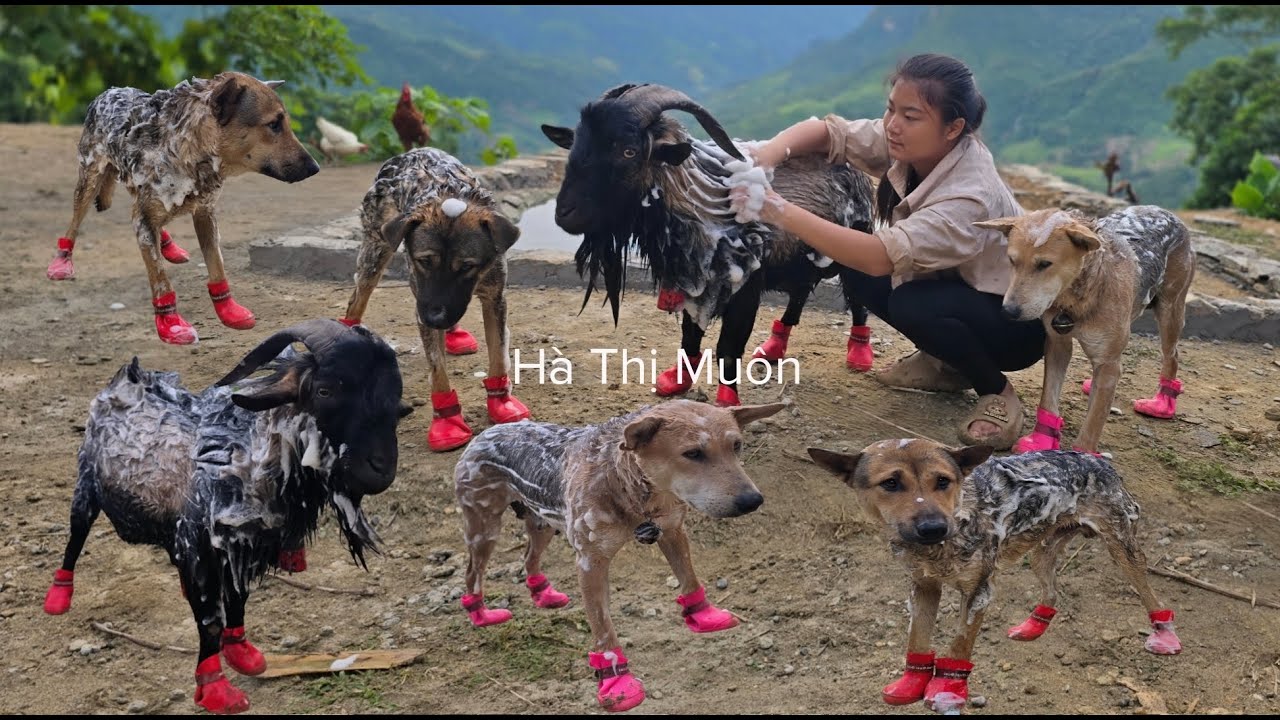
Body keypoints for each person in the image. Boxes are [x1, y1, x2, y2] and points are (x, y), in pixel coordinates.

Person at [732, 53, 1045, 450]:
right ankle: (944, 364)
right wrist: (766, 156)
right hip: (957, 294)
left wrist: (777, 208)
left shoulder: (969, 196)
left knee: (911, 301)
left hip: (1013, 324)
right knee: (855, 267)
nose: (893, 124)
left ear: (953, 128)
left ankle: (996, 391)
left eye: (911, 116)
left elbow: (879, 257)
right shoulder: (913, 144)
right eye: (891, 109)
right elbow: (827, 132)